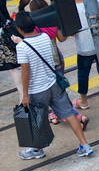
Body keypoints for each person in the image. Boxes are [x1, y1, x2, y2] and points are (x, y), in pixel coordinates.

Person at [15, 11, 93, 160]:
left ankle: (37, 149)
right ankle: (85, 145)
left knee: (38, 119)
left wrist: (24, 94)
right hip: (53, 84)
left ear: (19, 29)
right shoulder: (44, 37)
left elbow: (25, 72)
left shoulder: (22, 47)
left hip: (37, 89)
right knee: (69, 113)